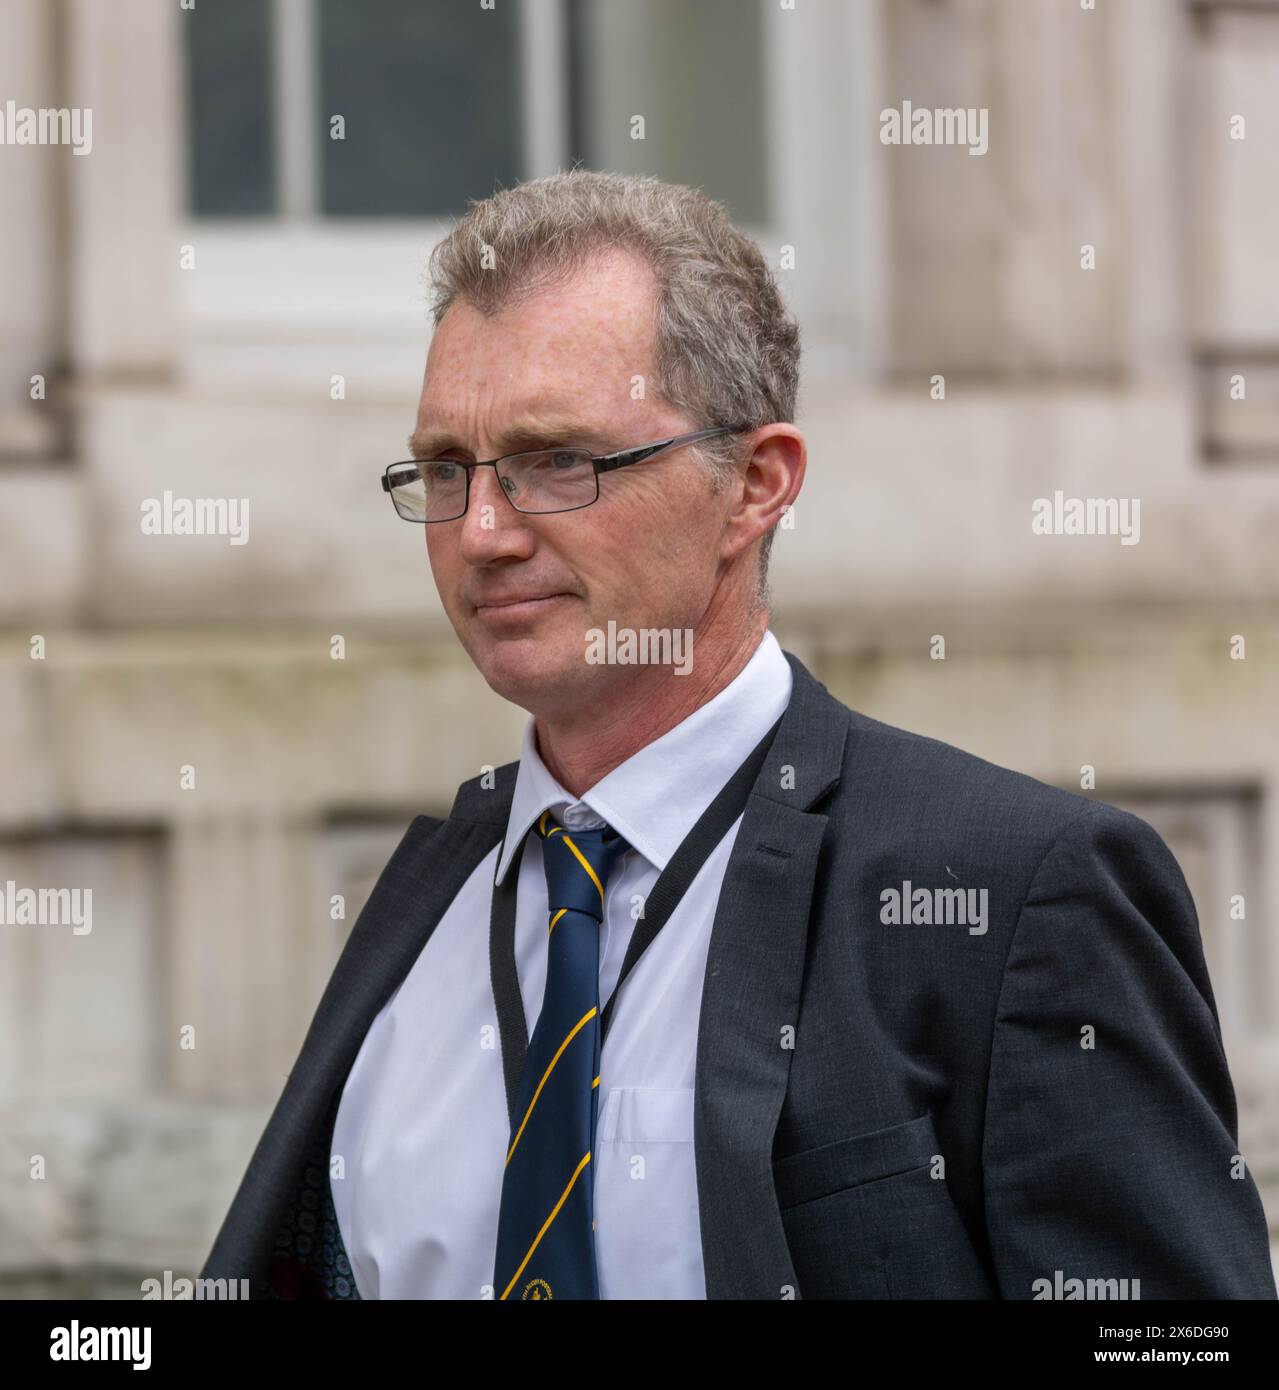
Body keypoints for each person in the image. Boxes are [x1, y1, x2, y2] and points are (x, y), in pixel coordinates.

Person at [201, 170, 1275, 1300]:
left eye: (556, 461)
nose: (480, 533)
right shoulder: (426, 903)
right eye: (444, 470)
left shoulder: (1013, 891)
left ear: (756, 484)